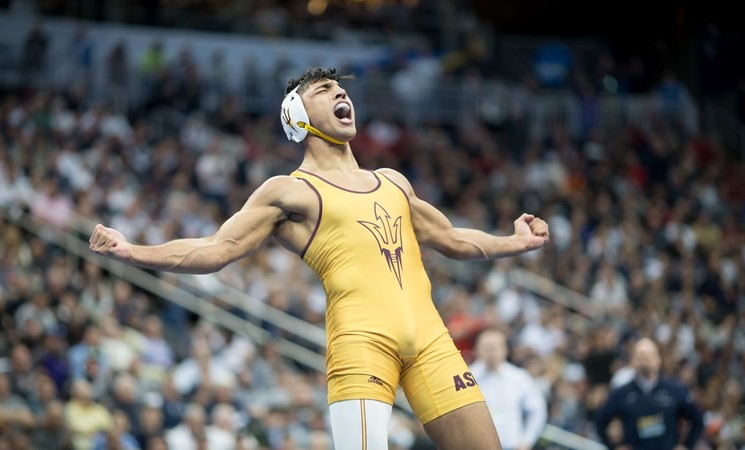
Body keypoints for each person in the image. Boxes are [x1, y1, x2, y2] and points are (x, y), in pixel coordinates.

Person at [89, 66, 550, 449]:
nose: (340, 92)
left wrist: (514, 242)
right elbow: (216, 249)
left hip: (431, 341)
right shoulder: (289, 190)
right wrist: (133, 250)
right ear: (296, 116)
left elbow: (450, 238)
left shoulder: (392, 181)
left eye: (341, 88)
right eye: (323, 90)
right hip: (362, 347)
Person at [595, 337, 703, 450]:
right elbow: (600, 421)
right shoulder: (621, 393)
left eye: (649, 355)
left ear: (658, 360)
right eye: (641, 355)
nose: (645, 359)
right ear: (633, 360)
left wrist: (686, 445)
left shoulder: (675, 389)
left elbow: (697, 420)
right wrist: (615, 446)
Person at [469, 328, 547, 450]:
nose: (491, 352)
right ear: (477, 350)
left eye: (495, 347)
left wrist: (527, 440)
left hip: (512, 445)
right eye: (487, 347)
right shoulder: (468, 378)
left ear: (505, 350)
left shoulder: (519, 377)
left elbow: (537, 410)